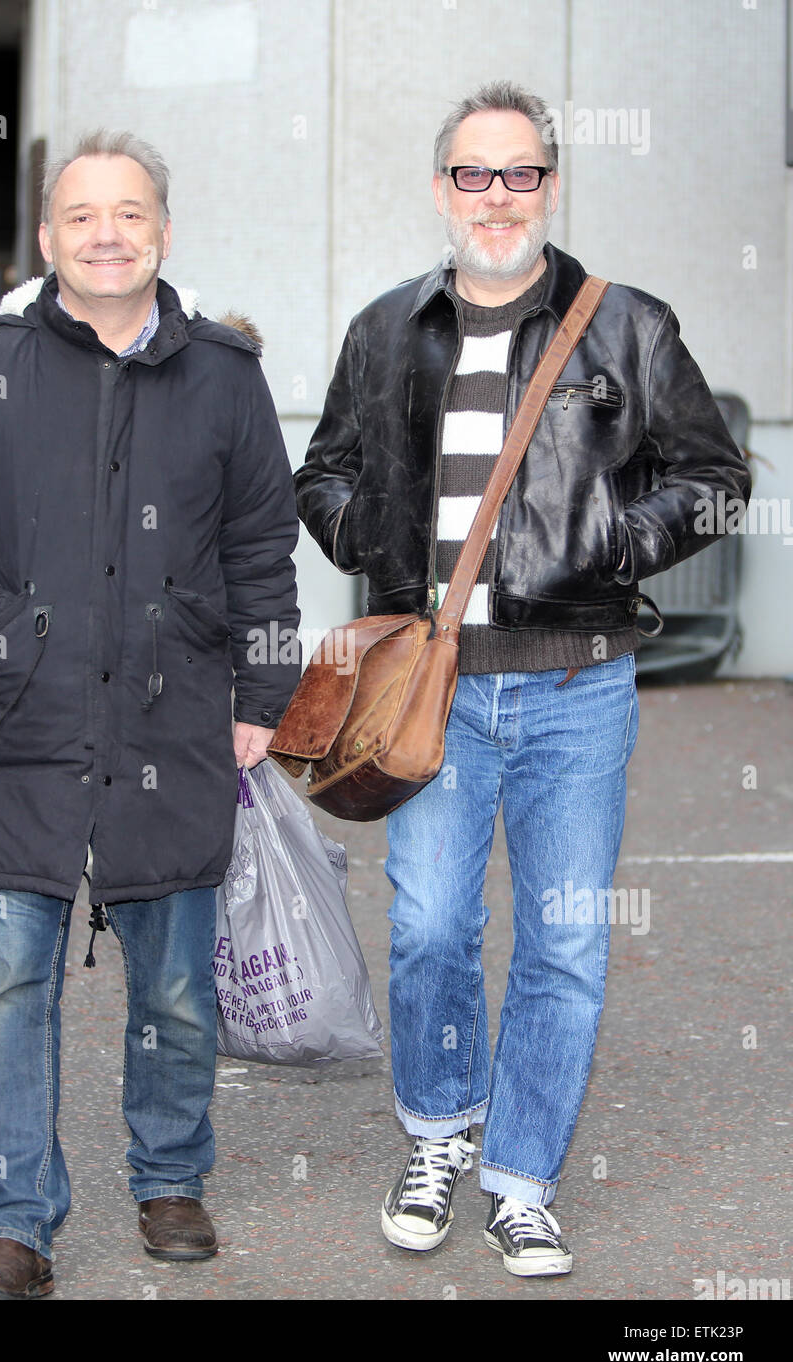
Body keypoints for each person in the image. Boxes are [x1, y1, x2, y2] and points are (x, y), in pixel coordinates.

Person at [293, 81, 750, 1277]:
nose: (496, 195)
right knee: (434, 926)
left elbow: (716, 476)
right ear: (440, 186)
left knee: (564, 944)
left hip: (575, 686)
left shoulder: (629, 326)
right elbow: (320, 474)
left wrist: (617, 538)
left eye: (520, 173)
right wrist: (378, 540)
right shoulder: (388, 328)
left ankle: (523, 1176)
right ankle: (440, 1134)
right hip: (429, 696)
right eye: (472, 173)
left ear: (552, 182)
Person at [0, 130, 300, 1297]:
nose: (105, 232)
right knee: (13, 983)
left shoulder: (224, 374)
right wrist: (2, 629)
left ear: (164, 231)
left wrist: (264, 693)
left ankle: (170, 1175)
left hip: (176, 729)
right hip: (21, 725)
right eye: (81, 214)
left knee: (174, 979)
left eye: (129, 212)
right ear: (49, 236)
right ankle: (15, 1218)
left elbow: (264, 549)